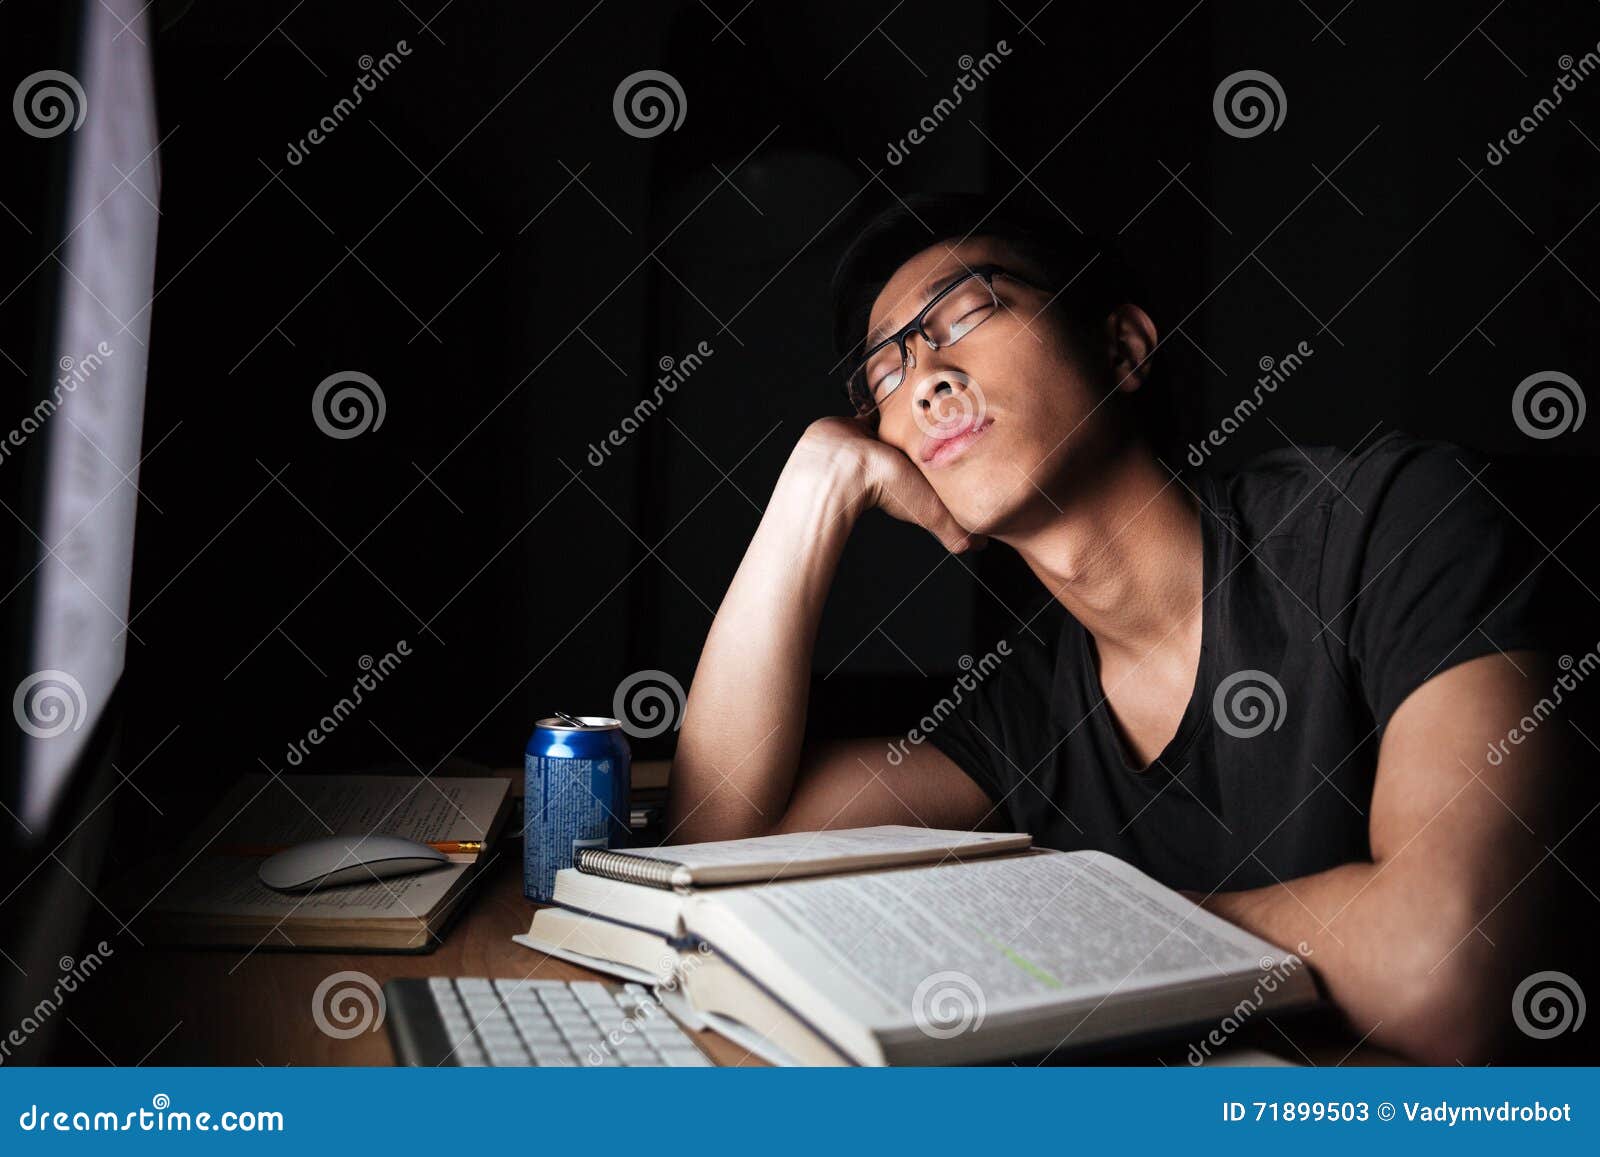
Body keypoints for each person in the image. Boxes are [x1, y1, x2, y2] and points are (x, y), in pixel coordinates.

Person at [664, 193, 1574, 1063]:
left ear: (1121, 347)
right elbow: (713, 846)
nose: (927, 379)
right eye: (885, 375)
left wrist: (1099, 927)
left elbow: (1449, 968)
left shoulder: (1396, 523)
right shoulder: (1025, 710)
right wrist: (812, 488)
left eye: (966, 313)